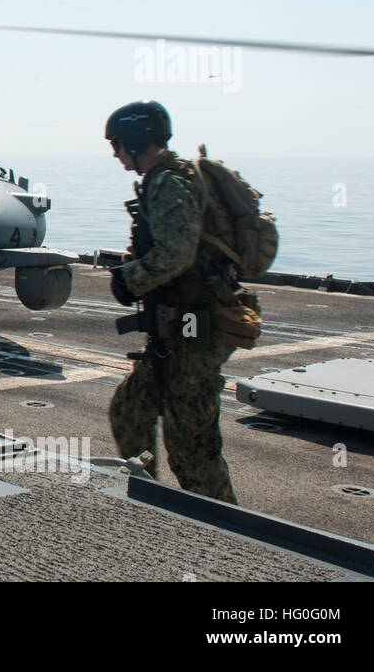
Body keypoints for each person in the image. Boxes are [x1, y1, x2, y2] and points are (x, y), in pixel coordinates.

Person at [105, 100, 257, 504]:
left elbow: (177, 254)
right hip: (178, 324)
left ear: (137, 140)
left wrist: (130, 279)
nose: (115, 153)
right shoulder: (162, 180)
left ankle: (228, 532)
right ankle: (147, 501)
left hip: (197, 325)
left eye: (118, 143)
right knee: (130, 410)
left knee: (191, 443)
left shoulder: (170, 182)